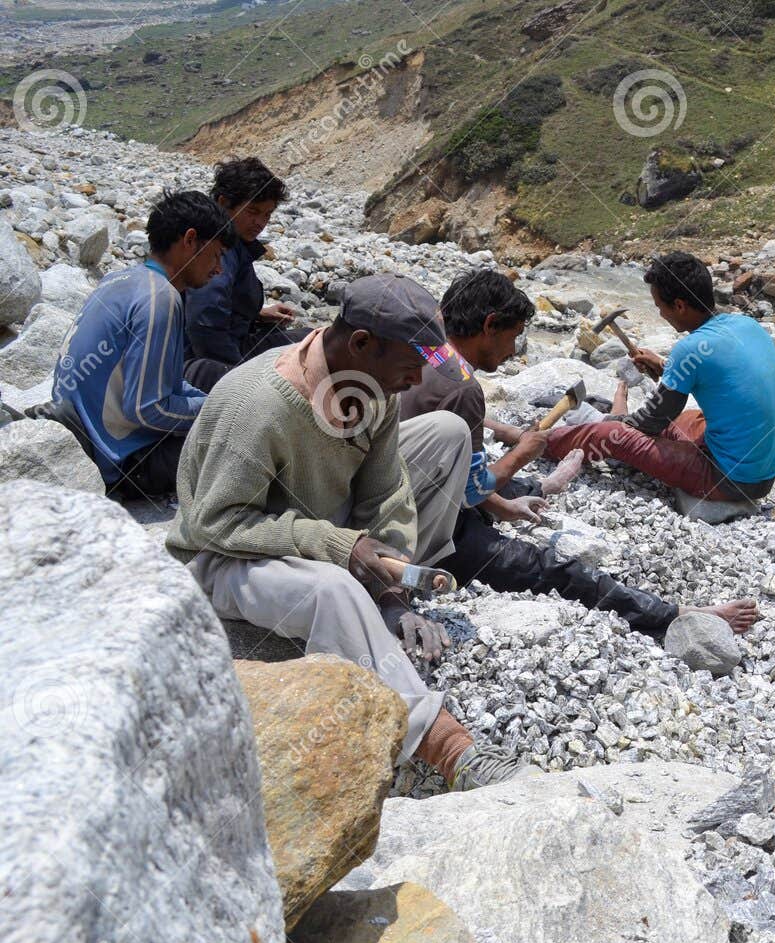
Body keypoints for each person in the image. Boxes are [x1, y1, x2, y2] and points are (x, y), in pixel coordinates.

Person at [168, 273, 528, 792]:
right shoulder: (260, 403)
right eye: (410, 367)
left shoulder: (372, 388)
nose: (414, 383)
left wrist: (391, 592)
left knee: (445, 436)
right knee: (333, 588)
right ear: (362, 342)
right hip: (224, 556)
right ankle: (450, 748)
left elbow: (386, 494)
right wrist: (340, 548)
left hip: (314, 532)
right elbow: (215, 522)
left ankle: (373, 597)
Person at [400, 269, 759, 634]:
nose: (512, 351)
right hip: (431, 532)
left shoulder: (418, 357)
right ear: (490, 325)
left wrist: (505, 507)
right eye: (515, 336)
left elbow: (456, 477)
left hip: (411, 498)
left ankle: (537, 490)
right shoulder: (463, 389)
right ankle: (674, 614)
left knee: (511, 488)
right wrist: (523, 452)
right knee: (553, 569)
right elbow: (473, 490)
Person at [537, 251, 775, 502]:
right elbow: (716, 369)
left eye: (659, 307)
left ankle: (535, 442)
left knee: (615, 435)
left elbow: (652, 422)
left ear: (679, 305)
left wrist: (616, 422)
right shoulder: (746, 325)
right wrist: (664, 365)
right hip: (762, 477)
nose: (660, 314)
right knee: (689, 418)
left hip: (729, 481)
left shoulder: (690, 348)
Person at [51, 189, 233, 496]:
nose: (218, 269)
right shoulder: (161, 298)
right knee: (240, 442)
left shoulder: (120, 279)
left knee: (215, 380)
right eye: (216, 255)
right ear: (189, 241)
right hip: (120, 460)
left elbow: (166, 384)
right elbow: (147, 410)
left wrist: (213, 402)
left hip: (81, 424)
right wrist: (220, 412)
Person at [184, 157, 307, 391]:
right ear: (223, 203)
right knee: (313, 348)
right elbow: (204, 322)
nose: (260, 222)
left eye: (267, 215)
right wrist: (238, 377)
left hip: (233, 341)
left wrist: (258, 313)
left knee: (312, 340)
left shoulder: (232, 242)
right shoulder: (219, 250)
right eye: (253, 211)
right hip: (210, 360)